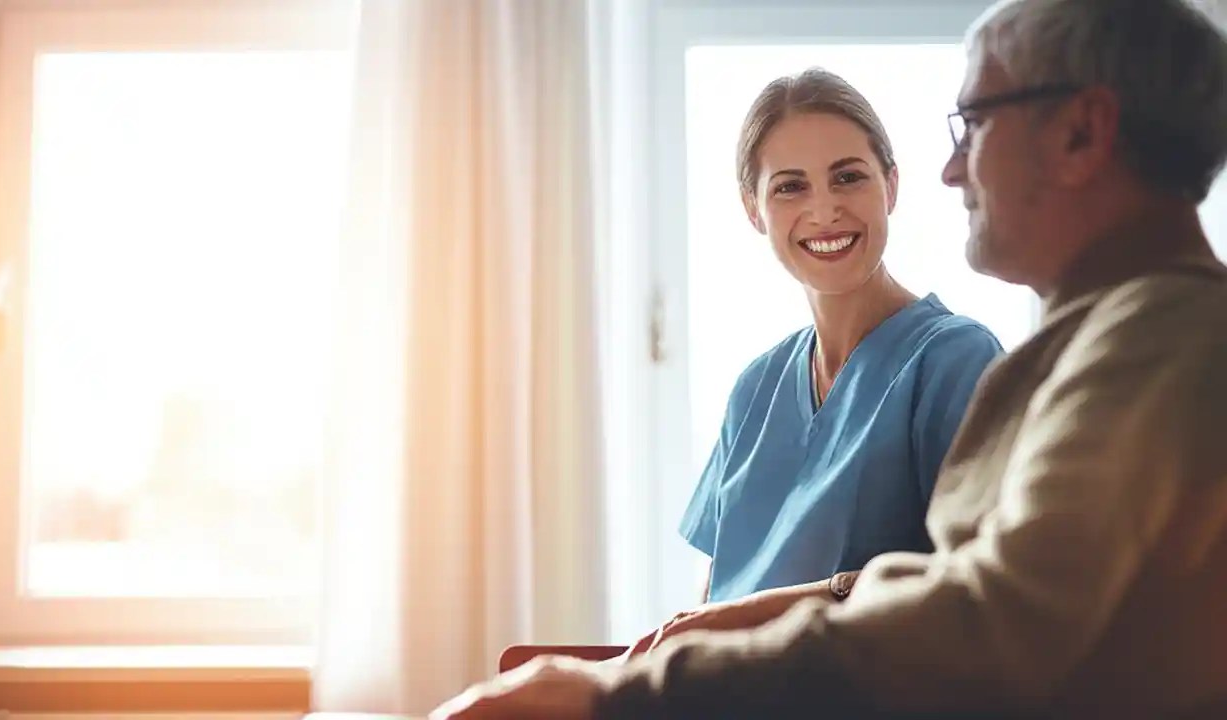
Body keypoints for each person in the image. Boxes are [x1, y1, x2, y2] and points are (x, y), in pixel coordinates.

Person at [431, 0, 1227, 717]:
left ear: (1082, 134)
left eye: (974, 123)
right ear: (753, 209)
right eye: (787, 188)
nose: (956, 169)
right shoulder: (1115, 339)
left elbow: (990, 620)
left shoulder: (1158, 340)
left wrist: (622, 695)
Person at [629, 69, 1003, 655]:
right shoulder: (756, 387)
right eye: (790, 187)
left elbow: (974, 591)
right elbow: (709, 608)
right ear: (753, 208)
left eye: (848, 177)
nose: (825, 210)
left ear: (892, 187)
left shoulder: (955, 361)